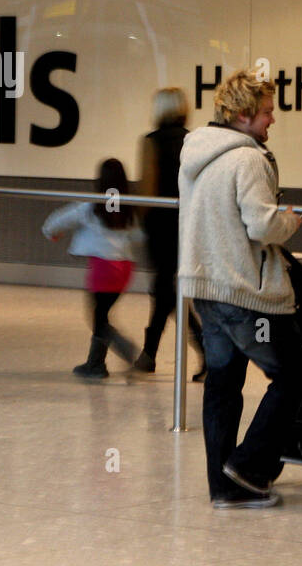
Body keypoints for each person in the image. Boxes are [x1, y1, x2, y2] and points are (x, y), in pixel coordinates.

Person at [178, 68, 302, 509]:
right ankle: (250, 466)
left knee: (222, 385)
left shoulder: (195, 155)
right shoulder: (249, 159)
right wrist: (289, 220)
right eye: (267, 112)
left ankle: (223, 487)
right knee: (292, 373)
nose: (272, 120)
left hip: (205, 290)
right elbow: (260, 224)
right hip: (245, 297)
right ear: (244, 114)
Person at [42, 158, 144, 379]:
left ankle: (118, 354)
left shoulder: (90, 206)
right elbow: (138, 235)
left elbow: (56, 222)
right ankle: (96, 363)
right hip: (124, 268)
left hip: (103, 268)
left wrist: (51, 233)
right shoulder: (129, 207)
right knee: (101, 315)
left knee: (98, 317)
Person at [132, 87, 205, 380]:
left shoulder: (151, 142)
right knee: (167, 292)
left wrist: (140, 224)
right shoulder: (193, 140)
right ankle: (148, 354)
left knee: (164, 291)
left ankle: (156, 354)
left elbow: (147, 189)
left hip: (160, 226)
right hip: (187, 225)